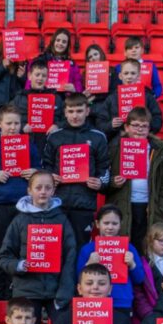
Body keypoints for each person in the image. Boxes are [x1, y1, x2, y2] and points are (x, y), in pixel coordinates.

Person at [0, 169, 77, 324]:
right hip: (26, 291)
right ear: (29, 190)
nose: (43, 192)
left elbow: (70, 256)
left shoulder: (62, 219)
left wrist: (65, 291)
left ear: (53, 191)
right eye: (38, 187)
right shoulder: (19, 221)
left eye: (48, 188)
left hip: (56, 290)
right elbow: (4, 256)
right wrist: (19, 265)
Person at [42, 92, 109, 246]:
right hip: (57, 203)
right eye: (71, 111)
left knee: (81, 248)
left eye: (79, 111)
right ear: (65, 113)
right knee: (56, 249)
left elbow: (104, 168)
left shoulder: (98, 137)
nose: (75, 116)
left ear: (87, 111)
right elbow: (45, 165)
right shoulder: (55, 136)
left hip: (84, 204)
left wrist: (100, 182)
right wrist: (50, 177)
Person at [0, 105, 32, 301]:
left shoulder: (28, 144)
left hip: (23, 207)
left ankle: (16, 296)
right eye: (9, 123)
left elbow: (40, 169)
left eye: (16, 123)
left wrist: (34, 171)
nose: (12, 127)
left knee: (20, 252)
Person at [105, 106, 163, 253]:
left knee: (146, 250)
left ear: (149, 129)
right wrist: (113, 182)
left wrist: (161, 210)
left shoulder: (160, 150)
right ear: (126, 127)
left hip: (150, 208)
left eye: (144, 126)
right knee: (124, 251)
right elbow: (103, 177)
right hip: (122, 206)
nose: (139, 129)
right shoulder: (114, 147)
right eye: (135, 125)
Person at [75, 205, 150, 324]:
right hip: (94, 302)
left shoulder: (129, 248)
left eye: (114, 223)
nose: (110, 227)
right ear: (98, 224)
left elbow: (140, 279)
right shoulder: (88, 249)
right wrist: (88, 264)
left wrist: (132, 264)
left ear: (120, 225)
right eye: (106, 223)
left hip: (122, 301)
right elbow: (78, 279)